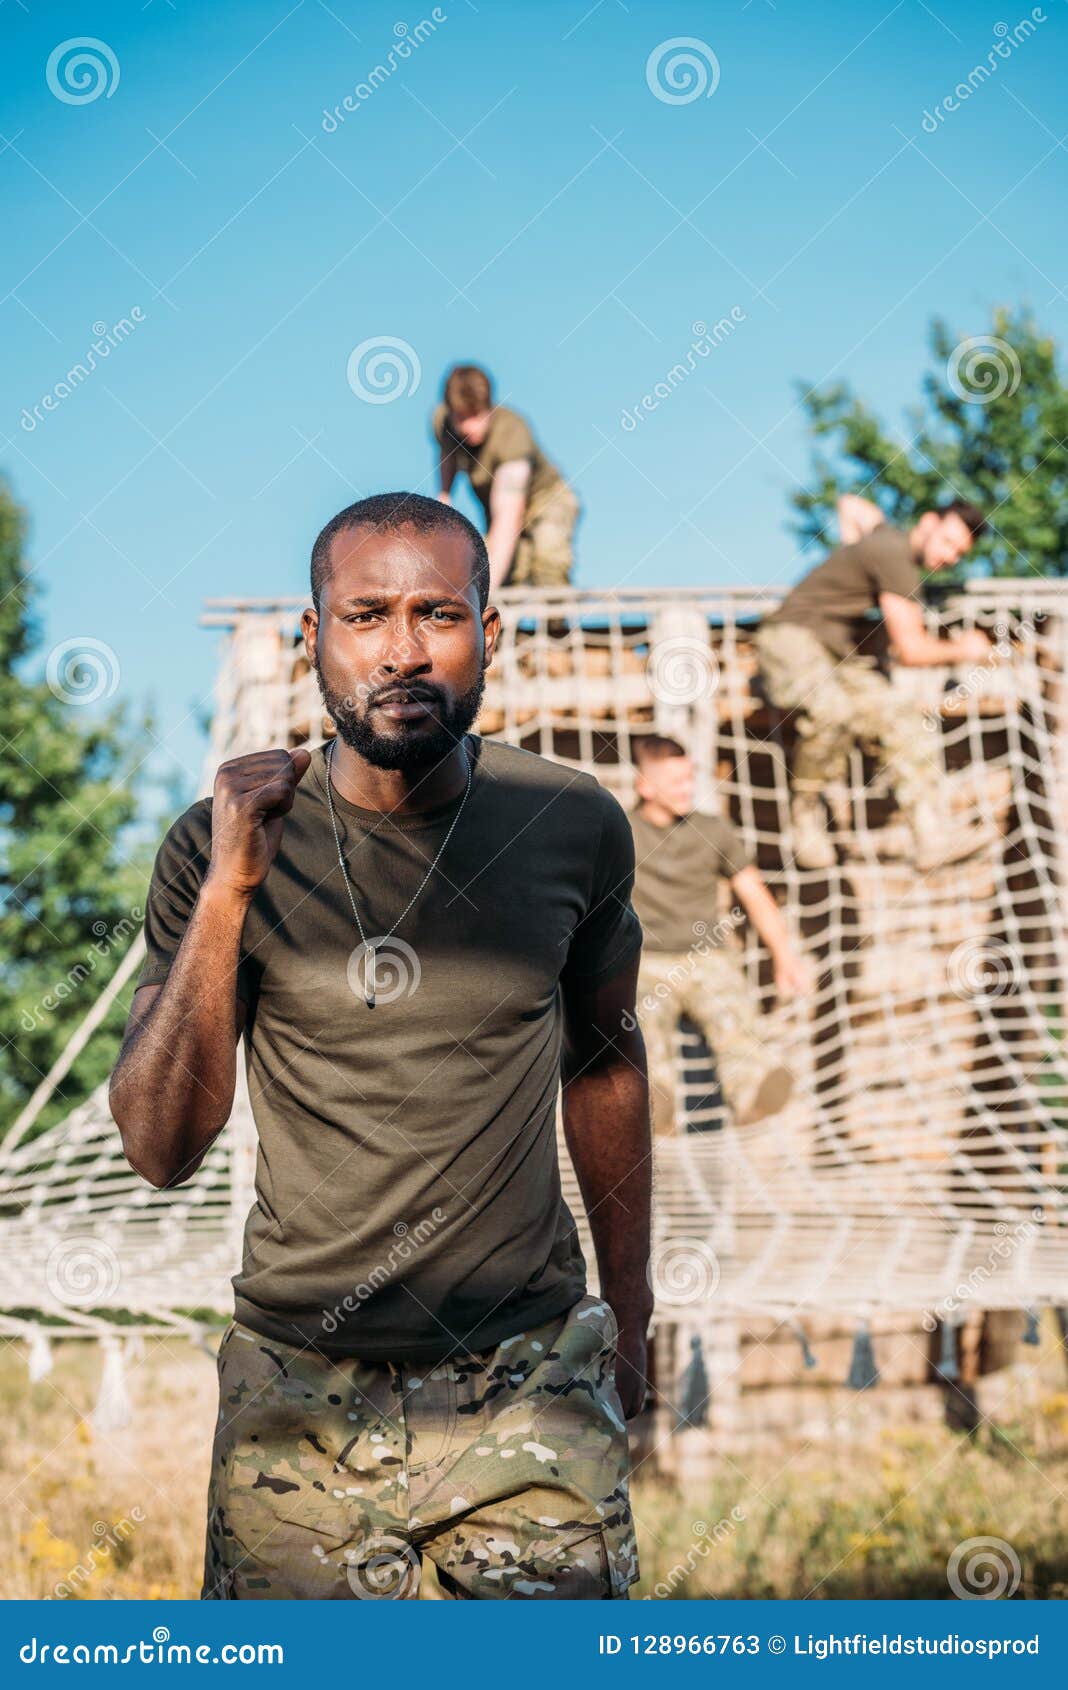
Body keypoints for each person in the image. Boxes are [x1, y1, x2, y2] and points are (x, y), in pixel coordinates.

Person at [109, 492, 651, 1601]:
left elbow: (606, 1067)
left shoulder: (575, 823)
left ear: (490, 635)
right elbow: (161, 1142)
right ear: (315, 640)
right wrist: (230, 891)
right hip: (298, 1397)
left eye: (438, 613)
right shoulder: (218, 845)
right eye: (365, 616)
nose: (402, 651)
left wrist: (632, 1315)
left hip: (529, 1379)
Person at [753, 496, 993, 870]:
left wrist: (853, 541)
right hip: (788, 638)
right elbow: (909, 649)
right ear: (928, 522)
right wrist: (965, 648)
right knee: (832, 710)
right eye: (948, 542)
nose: (951, 557)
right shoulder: (897, 558)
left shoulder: (883, 538)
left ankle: (930, 835)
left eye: (960, 553)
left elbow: (850, 503)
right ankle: (806, 820)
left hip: (833, 654)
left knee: (902, 716)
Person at [628, 736, 810, 1135]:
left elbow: (755, 894)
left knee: (735, 1018)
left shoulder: (712, 830)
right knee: (642, 1027)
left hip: (704, 957)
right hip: (648, 962)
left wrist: (785, 957)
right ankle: (652, 1102)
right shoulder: (623, 833)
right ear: (644, 785)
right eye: (674, 782)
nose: (686, 789)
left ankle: (751, 1093)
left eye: (689, 778)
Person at [433, 363, 580, 590]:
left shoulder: (511, 432)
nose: (469, 427)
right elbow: (448, 453)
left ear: (489, 407)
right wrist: (445, 493)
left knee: (547, 558)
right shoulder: (443, 421)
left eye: (476, 416)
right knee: (513, 573)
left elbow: (508, 516)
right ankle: (508, 624)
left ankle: (557, 625)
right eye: (461, 417)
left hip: (546, 500)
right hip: (495, 508)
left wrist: (485, 594)